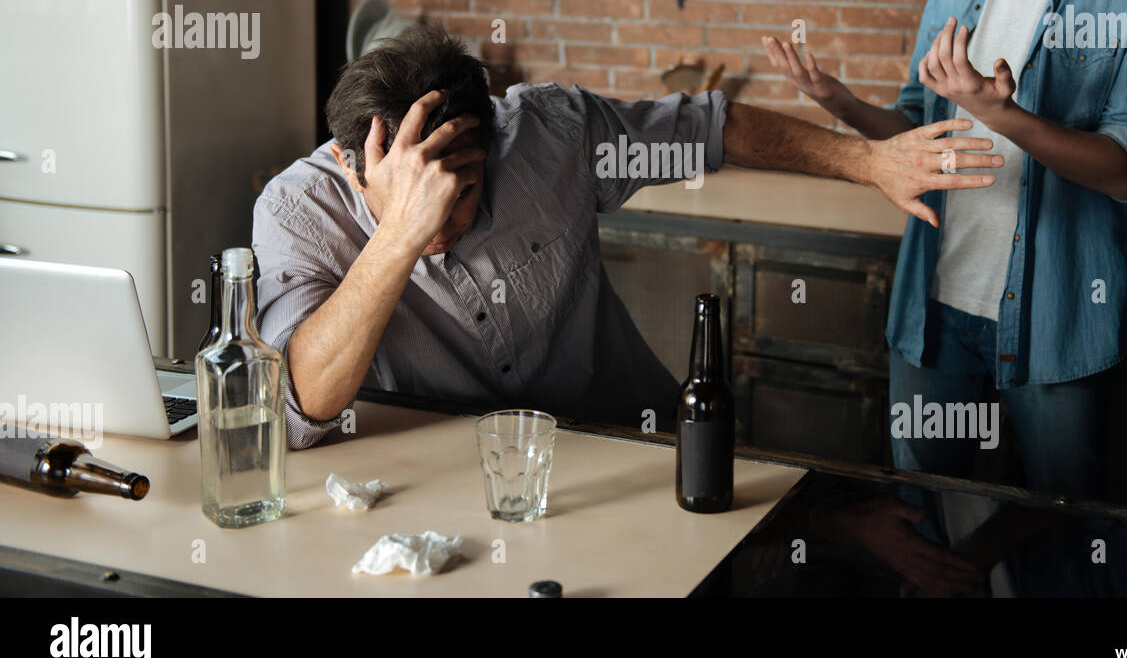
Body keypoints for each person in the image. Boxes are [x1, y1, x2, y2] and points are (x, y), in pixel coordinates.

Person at [765, 0, 1127, 595]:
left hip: (1061, 318)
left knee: (1067, 527)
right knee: (925, 526)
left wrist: (1002, 115)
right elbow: (917, 128)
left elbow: (1125, 168)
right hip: (938, 303)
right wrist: (841, 102)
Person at [252, 22, 1000, 451]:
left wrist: (868, 160)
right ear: (353, 167)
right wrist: (398, 237)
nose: (444, 225)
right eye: (419, 202)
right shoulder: (297, 211)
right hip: (448, 477)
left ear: (494, 143)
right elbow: (301, 404)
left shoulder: (551, 131)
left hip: (631, 440)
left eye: (463, 192)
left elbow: (710, 128)